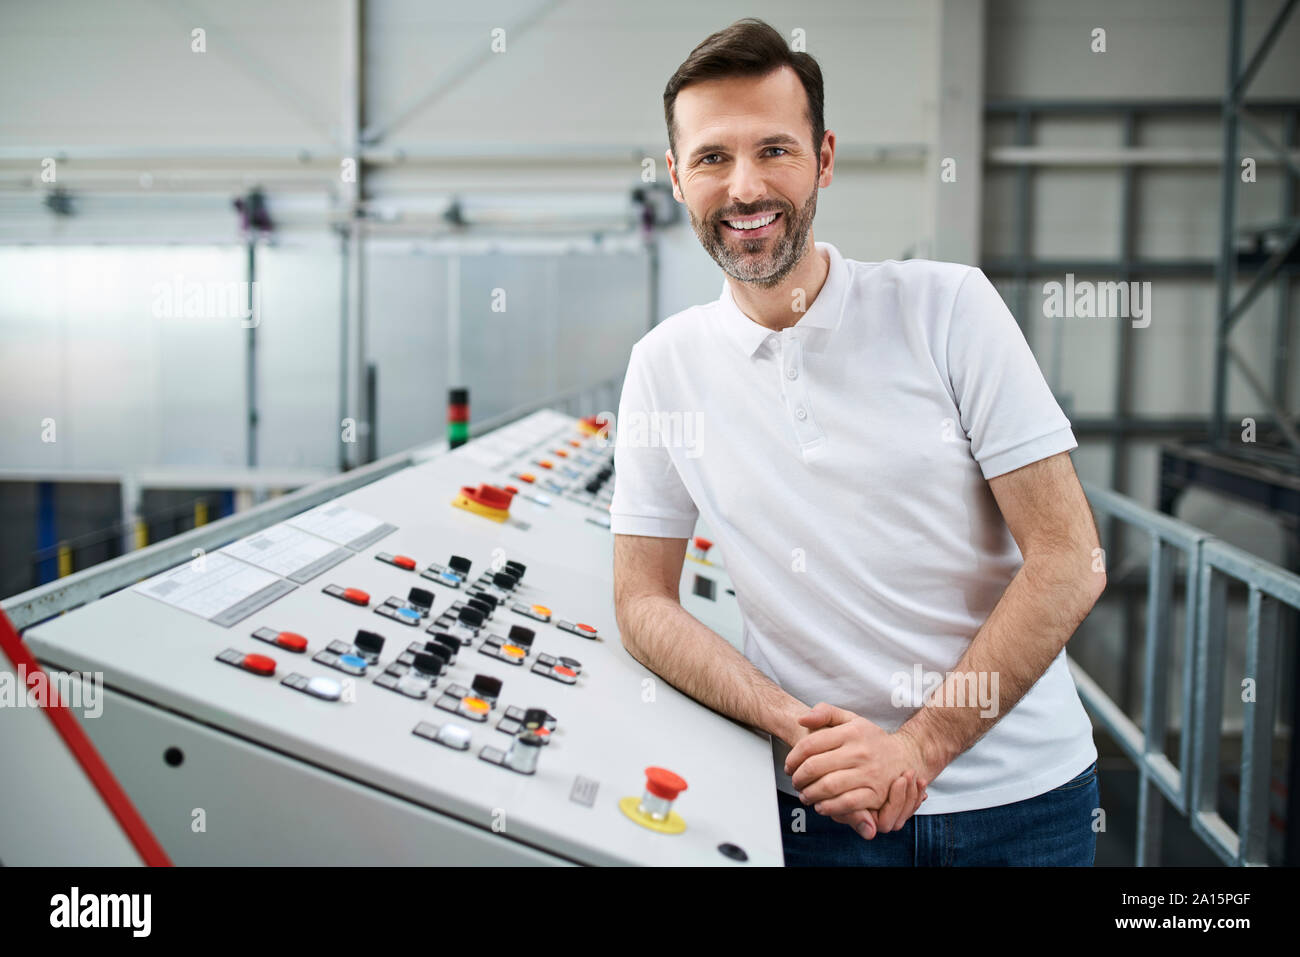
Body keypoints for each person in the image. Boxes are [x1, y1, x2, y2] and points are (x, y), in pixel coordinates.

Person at [609, 18, 1104, 866]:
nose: (744, 188)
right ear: (676, 177)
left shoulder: (948, 309)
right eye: (712, 158)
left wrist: (919, 747)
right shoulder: (665, 366)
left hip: (1022, 806)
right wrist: (783, 720)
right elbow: (642, 601)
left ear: (824, 159)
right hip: (815, 808)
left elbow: (1070, 558)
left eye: (774, 150)